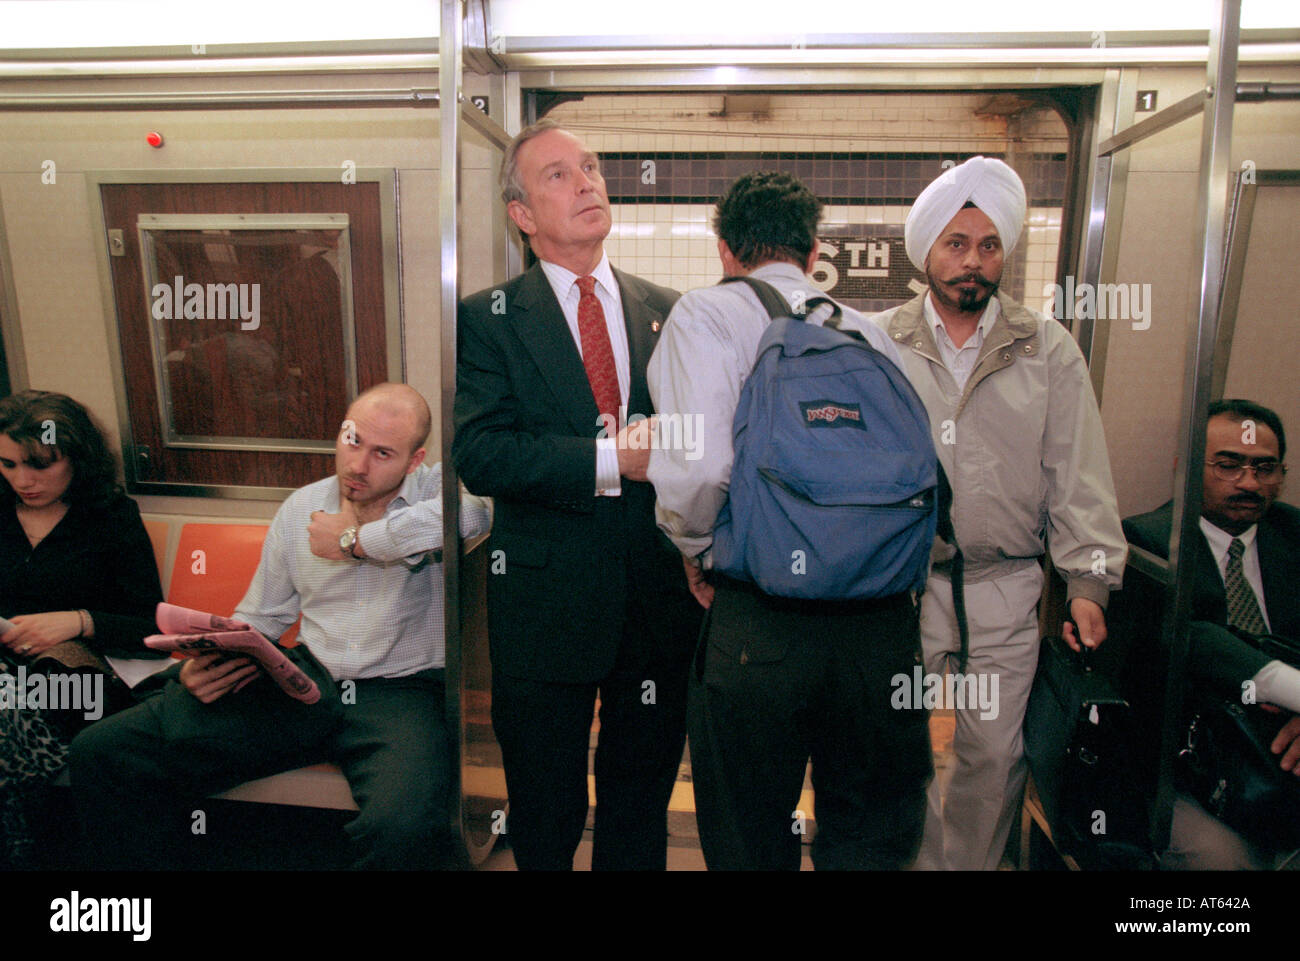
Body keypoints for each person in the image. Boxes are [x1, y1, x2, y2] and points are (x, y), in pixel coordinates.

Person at [70, 383, 490, 870]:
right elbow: (263, 616)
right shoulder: (302, 507)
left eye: (382, 454)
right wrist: (214, 656)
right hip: (305, 679)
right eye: (352, 441)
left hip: (400, 693)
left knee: (403, 826)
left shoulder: (436, 494)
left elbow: (474, 516)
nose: (358, 465)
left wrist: (356, 540)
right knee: (103, 750)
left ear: (414, 461)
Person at [647, 170, 931, 870]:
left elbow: (701, 466)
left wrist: (693, 547)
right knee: (868, 837)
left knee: (748, 834)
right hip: (881, 632)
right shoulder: (868, 331)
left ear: (724, 249)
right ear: (813, 253)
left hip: (764, 626)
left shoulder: (706, 314)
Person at [453, 119, 701, 870]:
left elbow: (693, 438)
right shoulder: (487, 319)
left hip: (657, 598)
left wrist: (699, 540)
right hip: (544, 606)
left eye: (591, 166)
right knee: (547, 805)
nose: (587, 181)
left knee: (639, 799)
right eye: (559, 174)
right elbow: (481, 452)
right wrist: (608, 459)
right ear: (522, 215)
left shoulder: (670, 308)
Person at [872, 156, 1126, 870]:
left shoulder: (1045, 349)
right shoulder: (878, 343)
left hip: (1006, 584)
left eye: (989, 246)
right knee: (898, 745)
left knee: (995, 753)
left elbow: (1078, 472)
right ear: (925, 251)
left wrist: (1089, 582)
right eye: (956, 243)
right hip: (901, 586)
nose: (973, 262)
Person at [1124, 398, 1300, 869]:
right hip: (1191, 767)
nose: (1248, 482)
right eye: (1228, 465)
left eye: (1264, 468)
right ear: (1186, 467)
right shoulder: (1150, 542)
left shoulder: (1293, 535)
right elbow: (1187, 641)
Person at [0, 389, 164, 869]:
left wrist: (77, 621)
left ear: (76, 457)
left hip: (79, 675)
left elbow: (149, 628)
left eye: (40, 465)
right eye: (8, 465)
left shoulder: (109, 517)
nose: (23, 481)